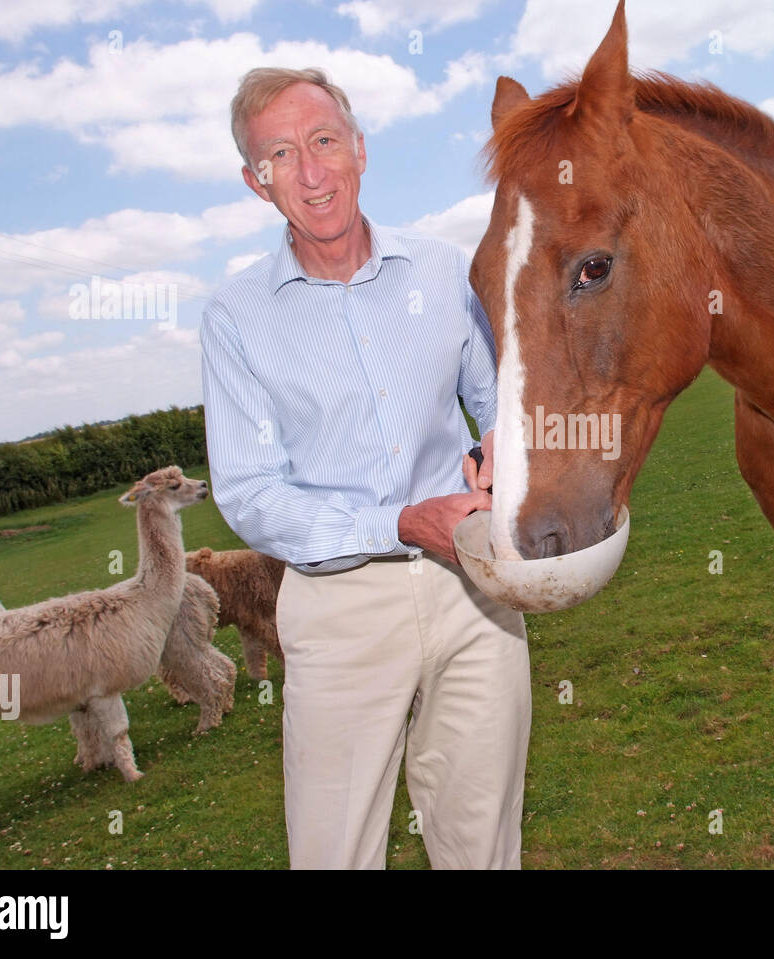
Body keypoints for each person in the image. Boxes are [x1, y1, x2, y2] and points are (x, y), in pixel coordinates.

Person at [198, 67, 530, 869]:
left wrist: (496, 456)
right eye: (280, 154)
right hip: (338, 611)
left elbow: (497, 402)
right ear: (256, 181)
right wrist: (395, 523)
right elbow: (250, 493)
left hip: (474, 590)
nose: (310, 173)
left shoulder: (444, 269)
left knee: (482, 843)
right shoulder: (235, 317)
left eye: (323, 141)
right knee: (333, 853)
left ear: (359, 149)